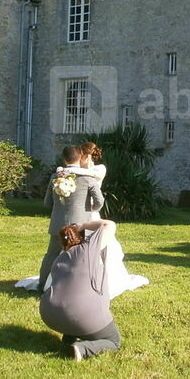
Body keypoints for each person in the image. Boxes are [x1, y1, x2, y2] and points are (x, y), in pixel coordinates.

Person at [40, 219, 122, 361]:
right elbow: (110, 225)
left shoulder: (60, 258)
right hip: (81, 315)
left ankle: (69, 338)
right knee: (114, 341)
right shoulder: (88, 249)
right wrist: (82, 226)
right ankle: (82, 349)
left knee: (73, 298)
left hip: (49, 313)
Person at [76, 142, 149, 298]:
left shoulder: (98, 169)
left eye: (82, 155)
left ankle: (100, 278)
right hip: (79, 212)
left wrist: (69, 169)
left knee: (100, 243)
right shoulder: (77, 170)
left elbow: (88, 176)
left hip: (92, 212)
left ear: (87, 156)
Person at [35, 145, 104, 291]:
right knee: (80, 256)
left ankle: (42, 284)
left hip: (57, 223)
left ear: (64, 159)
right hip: (80, 225)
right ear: (80, 156)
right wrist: (90, 211)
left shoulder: (55, 177)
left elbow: (47, 203)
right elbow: (100, 201)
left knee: (51, 255)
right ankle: (80, 287)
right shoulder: (87, 179)